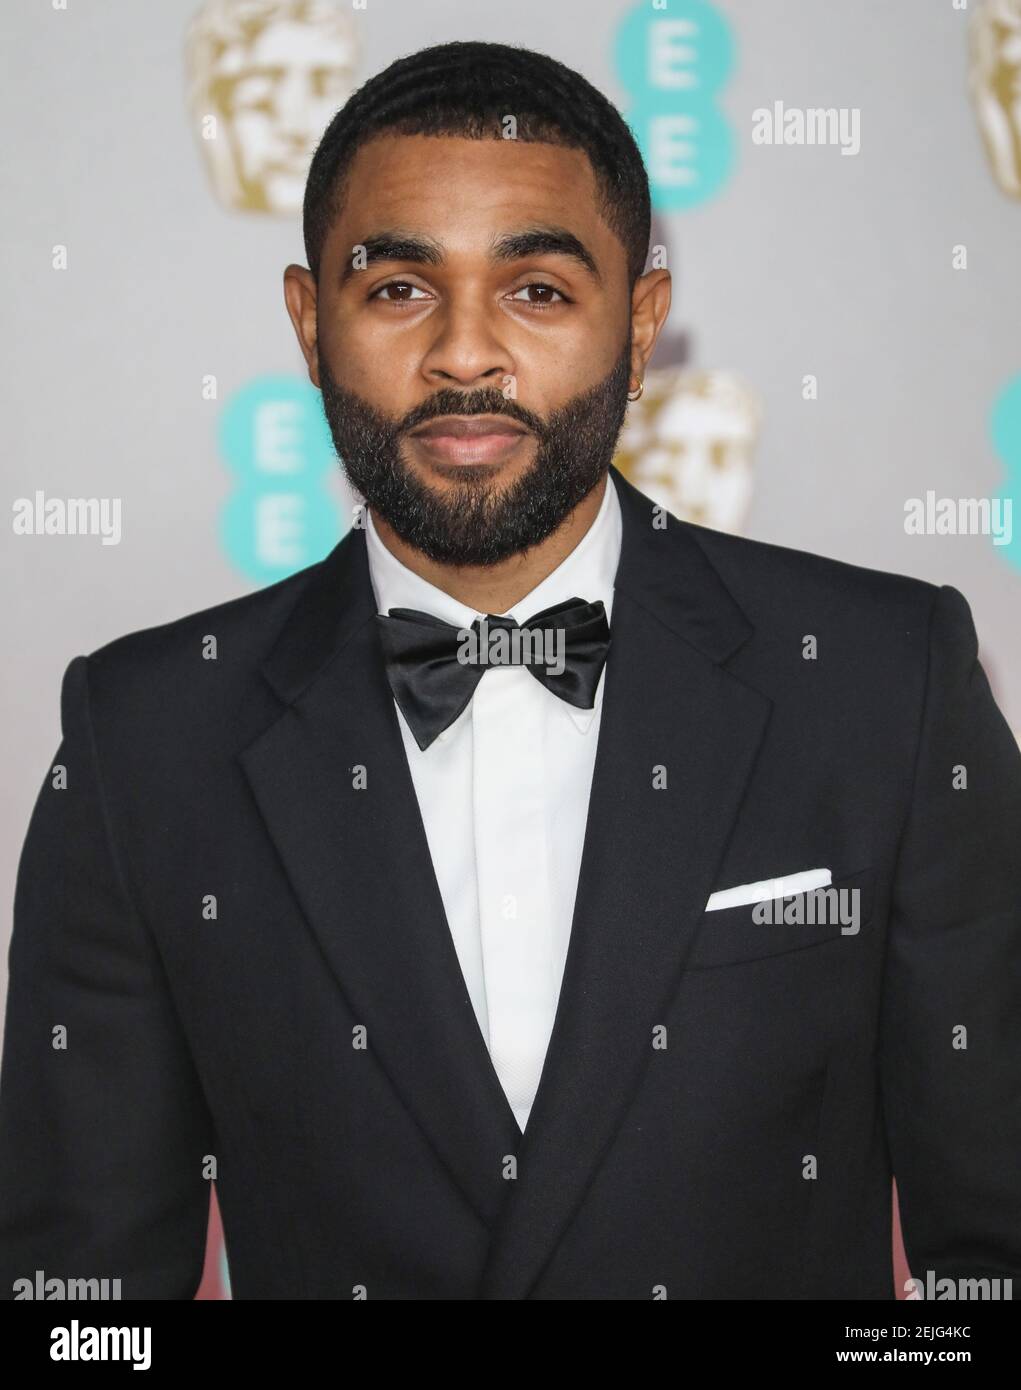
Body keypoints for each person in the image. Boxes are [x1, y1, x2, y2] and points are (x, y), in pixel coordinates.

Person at [1, 40, 1019, 1302]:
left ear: (639, 325)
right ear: (309, 322)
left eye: (537, 289)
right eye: (397, 292)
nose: (465, 356)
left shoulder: (885, 687)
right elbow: (82, 1314)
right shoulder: (140, 739)